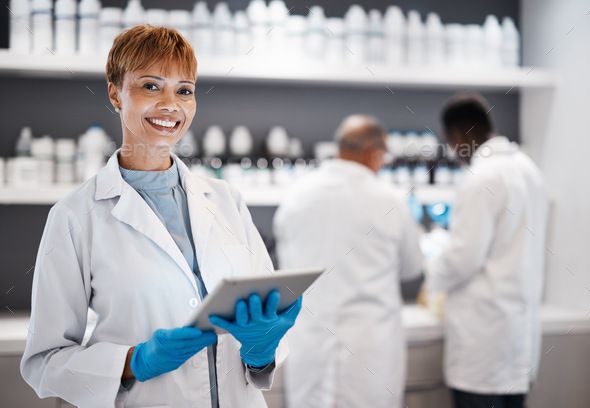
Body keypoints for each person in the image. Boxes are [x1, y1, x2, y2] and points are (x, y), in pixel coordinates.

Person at [20, 25, 300, 408]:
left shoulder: (226, 200)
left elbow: (267, 324)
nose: (171, 104)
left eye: (184, 90)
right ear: (115, 93)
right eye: (151, 86)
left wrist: (262, 351)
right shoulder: (74, 217)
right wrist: (131, 362)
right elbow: (44, 363)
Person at [273, 115, 423, 408]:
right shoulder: (390, 199)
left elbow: (284, 266)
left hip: (310, 341)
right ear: (375, 152)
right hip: (370, 348)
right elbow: (412, 268)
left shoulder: (296, 195)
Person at [425, 93, 549, 408]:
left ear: (456, 136)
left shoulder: (481, 178)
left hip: (483, 339)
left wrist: (432, 274)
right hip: (519, 333)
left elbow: (462, 259)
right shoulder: (529, 170)